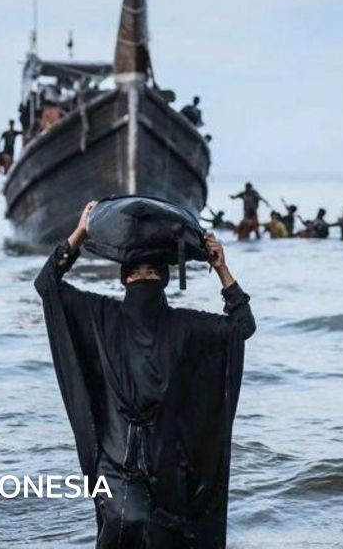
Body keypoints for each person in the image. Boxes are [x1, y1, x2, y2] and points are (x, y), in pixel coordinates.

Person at [35, 202, 255, 547]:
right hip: (113, 458)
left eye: (152, 274)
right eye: (136, 274)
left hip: (168, 463)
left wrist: (222, 268)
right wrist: (80, 232)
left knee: (165, 535)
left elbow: (242, 327)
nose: (144, 279)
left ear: (164, 281)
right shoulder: (102, 314)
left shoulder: (185, 326)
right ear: (124, 280)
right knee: (127, 522)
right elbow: (47, 285)